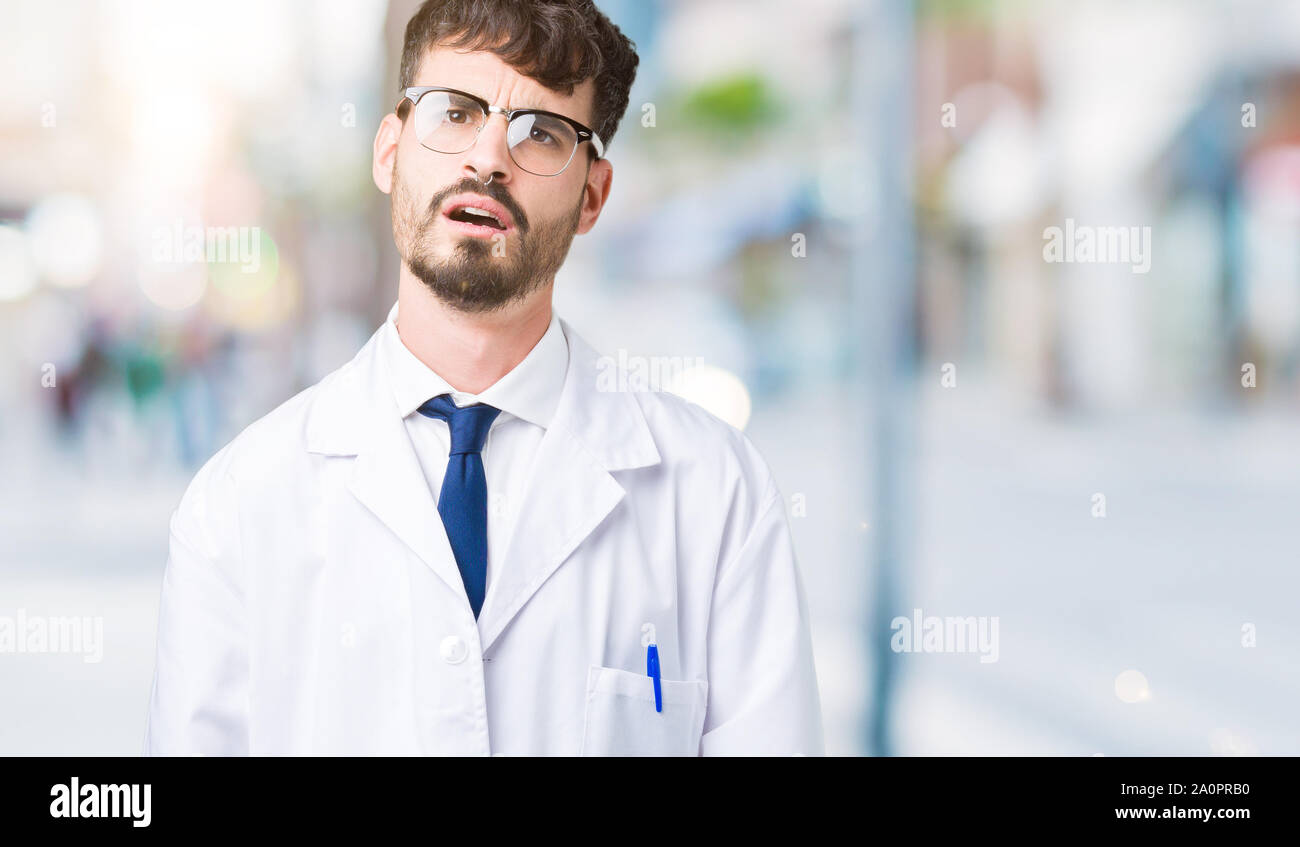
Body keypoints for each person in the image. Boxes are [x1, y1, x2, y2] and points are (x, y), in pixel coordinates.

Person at [144, 0, 824, 756]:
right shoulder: (238, 505)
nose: (489, 158)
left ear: (592, 196)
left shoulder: (714, 493)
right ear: (388, 151)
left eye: (542, 133)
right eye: (456, 113)